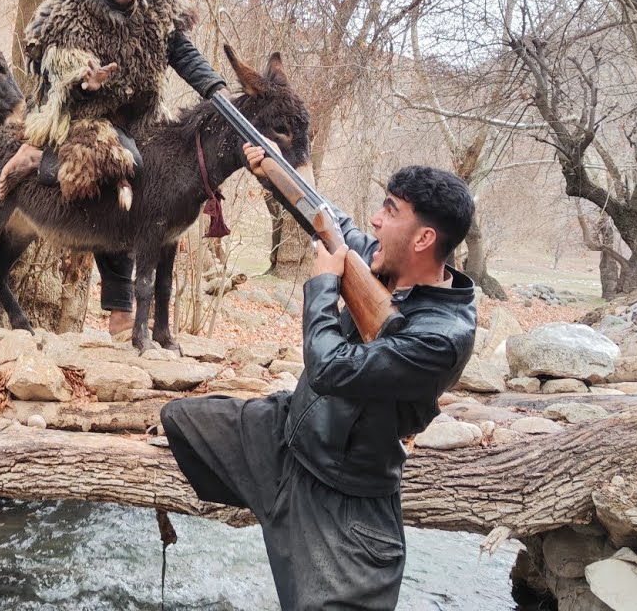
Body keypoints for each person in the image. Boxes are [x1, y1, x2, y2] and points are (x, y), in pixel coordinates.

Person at [161, 155, 478, 610]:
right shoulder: (380, 259)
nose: (375, 218)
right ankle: (269, 506)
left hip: (346, 498)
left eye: (390, 210)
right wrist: (274, 167)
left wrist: (323, 286)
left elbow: (330, 369)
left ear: (424, 238)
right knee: (178, 419)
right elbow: (330, 222)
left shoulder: (442, 337)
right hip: (287, 434)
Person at [0, 0, 228, 336]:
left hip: (138, 119)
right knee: (125, 167)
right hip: (80, 117)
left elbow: (184, 54)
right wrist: (82, 78)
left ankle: (123, 311)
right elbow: (46, 65)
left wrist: (216, 89)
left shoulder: (156, 3)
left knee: (142, 191)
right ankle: (39, 158)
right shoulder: (70, 9)